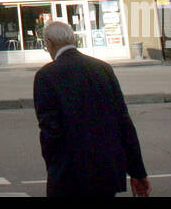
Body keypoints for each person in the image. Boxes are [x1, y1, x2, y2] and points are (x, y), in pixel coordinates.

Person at [34, 21, 150, 198]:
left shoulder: (46, 76)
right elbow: (124, 123)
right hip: (106, 173)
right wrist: (137, 172)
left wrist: (55, 169)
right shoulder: (103, 68)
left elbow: (50, 132)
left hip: (69, 176)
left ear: (49, 43)